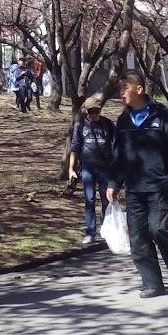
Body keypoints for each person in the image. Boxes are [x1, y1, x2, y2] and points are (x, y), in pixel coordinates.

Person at [106, 69, 168, 298]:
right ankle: (152, 282)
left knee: (159, 229)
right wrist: (114, 183)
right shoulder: (123, 119)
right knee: (138, 237)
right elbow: (119, 155)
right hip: (134, 187)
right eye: (120, 88)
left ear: (139, 89)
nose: (121, 93)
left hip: (159, 185)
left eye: (125, 87)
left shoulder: (162, 116)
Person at [68, 93, 118, 246]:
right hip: (88, 168)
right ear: (86, 112)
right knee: (89, 200)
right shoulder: (80, 126)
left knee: (106, 199)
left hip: (105, 167)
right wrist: (71, 168)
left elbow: (116, 146)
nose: (94, 115)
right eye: (91, 112)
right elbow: (75, 147)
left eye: (97, 111)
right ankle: (90, 232)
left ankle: (105, 230)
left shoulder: (108, 125)